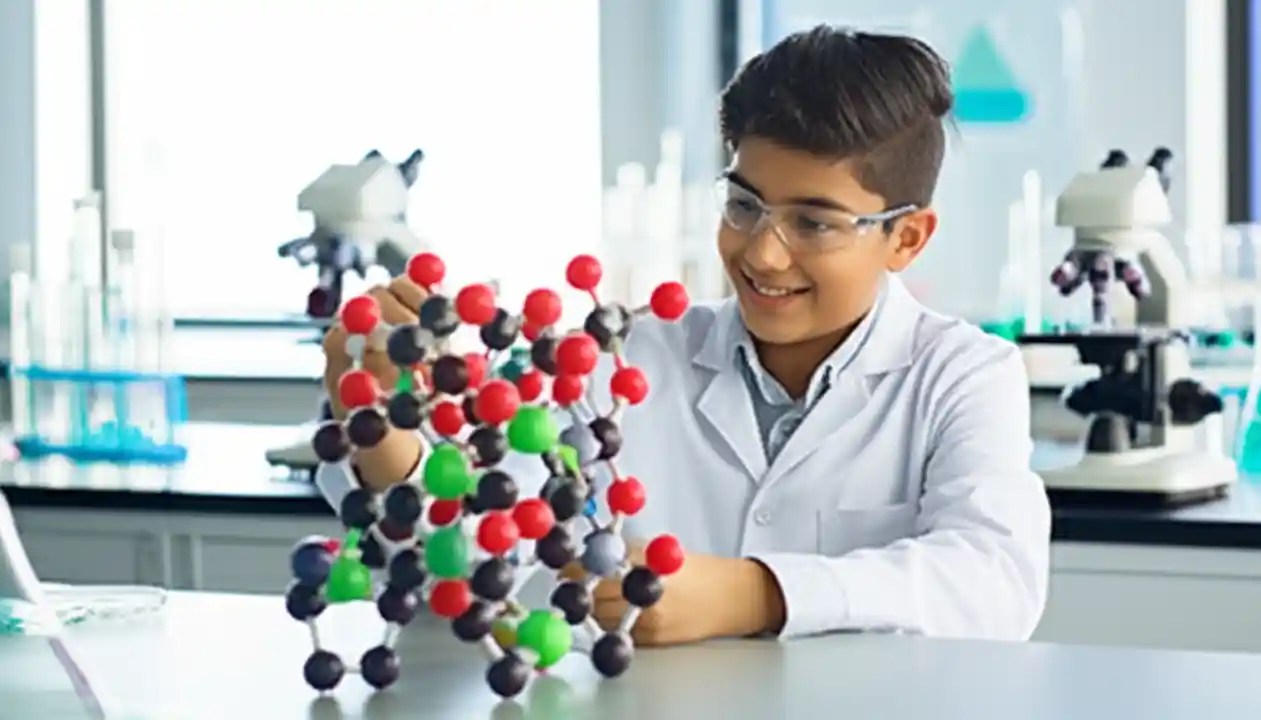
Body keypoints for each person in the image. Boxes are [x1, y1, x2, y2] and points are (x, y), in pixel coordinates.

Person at [320, 25, 1051, 646]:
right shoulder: (625, 359)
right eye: (745, 204)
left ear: (907, 238)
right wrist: (383, 430)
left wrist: (755, 595)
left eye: (815, 222)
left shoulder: (963, 374)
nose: (764, 252)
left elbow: (994, 581)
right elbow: (481, 542)